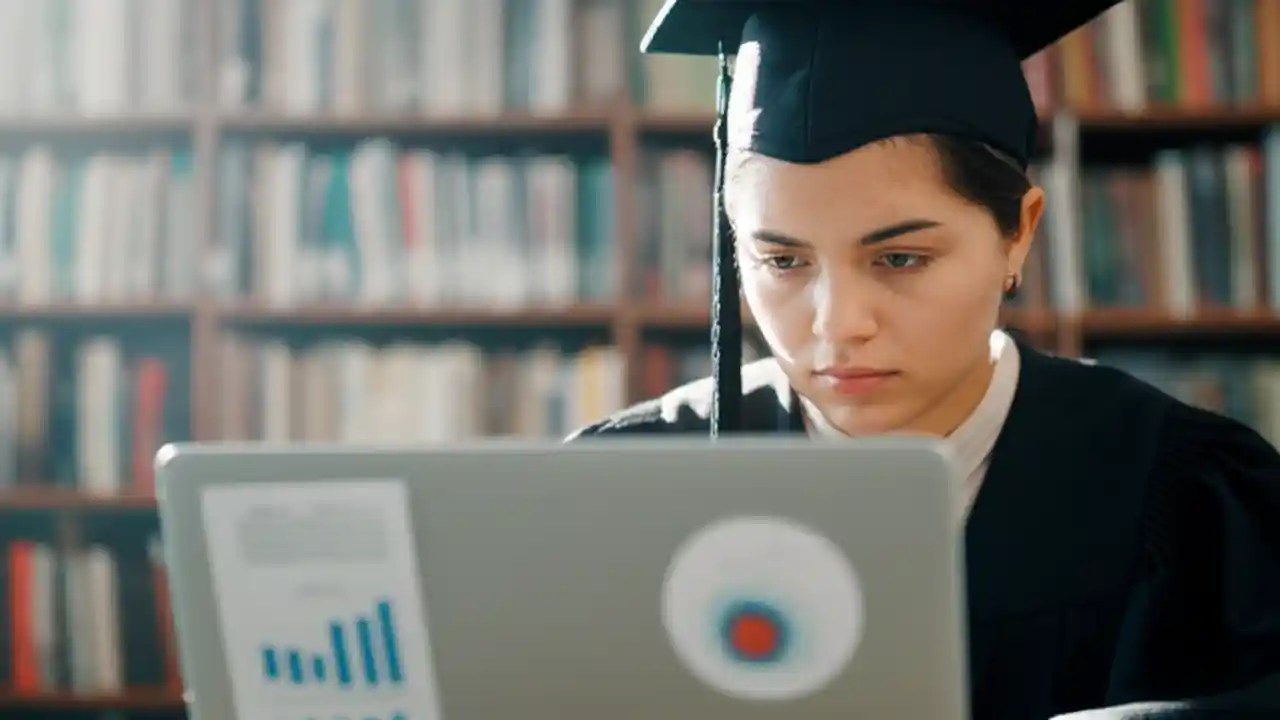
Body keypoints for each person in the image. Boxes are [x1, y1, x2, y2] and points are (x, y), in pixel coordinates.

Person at [567, 1, 1280, 718]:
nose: (838, 324)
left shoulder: (1182, 496)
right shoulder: (627, 484)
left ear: (1019, 234)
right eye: (781, 259)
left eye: (900, 258)